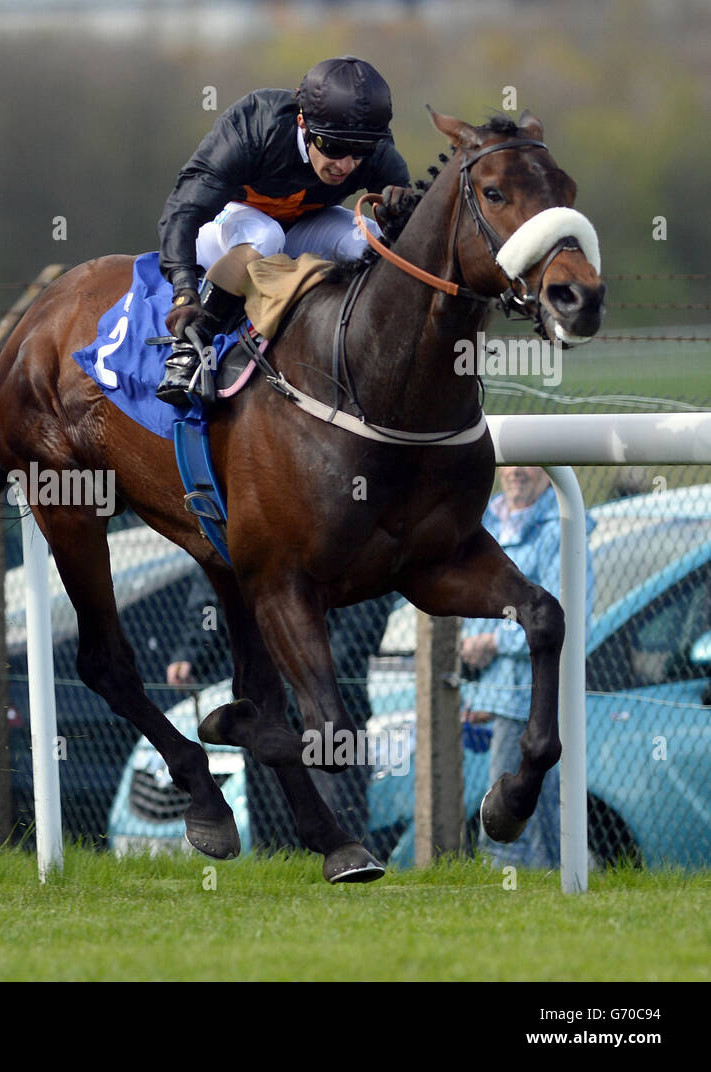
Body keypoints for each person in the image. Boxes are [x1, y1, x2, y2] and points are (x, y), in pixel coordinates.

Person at [155, 55, 412, 406]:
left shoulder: (373, 144)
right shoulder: (254, 123)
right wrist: (183, 289)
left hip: (300, 225)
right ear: (303, 122)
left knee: (371, 239)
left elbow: (408, 233)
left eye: (361, 152)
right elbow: (184, 210)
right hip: (227, 228)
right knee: (266, 235)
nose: (346, 165)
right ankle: (187, 351)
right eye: (333, 147)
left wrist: (401, 214)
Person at [166, 567, 395, 847]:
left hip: (333, 706)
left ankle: (348, 878)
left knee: (340, 820)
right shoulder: (234, 531)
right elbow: (210, 601)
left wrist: (313, 673)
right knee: (273, 832)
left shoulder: (343, 533)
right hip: (262, 708)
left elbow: (364, 613)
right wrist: (193, 654)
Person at [460, 466, 595, 870]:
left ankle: (509, 884)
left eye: (531, 461)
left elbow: (571, 617)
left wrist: (494, 643)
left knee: (523, 808)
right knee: (544, 811)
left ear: (551, 471)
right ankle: (561, 883)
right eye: (512, 461)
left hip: (532, 696)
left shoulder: (562, 528)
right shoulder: (480, 521)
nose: (517, 471)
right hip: (490, 693)